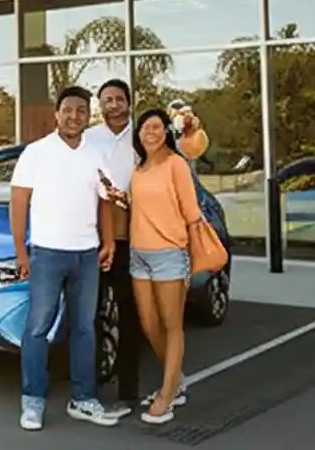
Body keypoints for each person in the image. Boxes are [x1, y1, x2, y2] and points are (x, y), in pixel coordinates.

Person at [9, 85, 120, 432]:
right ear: (57, 114)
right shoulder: (36, 153)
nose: (75, 116)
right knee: (38, 328)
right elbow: (18, 203)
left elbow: (106, 199)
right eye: (68, 110)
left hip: (86, 254)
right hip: (46, 253)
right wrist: (20, 251)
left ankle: (84, 399)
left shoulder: (96, 153)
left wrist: (109, 241)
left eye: (81, 111)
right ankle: (33, 402)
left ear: (89, 116)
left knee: (85, 329)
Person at [128, 108, 205, 425]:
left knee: (172, 326)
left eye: (157, 126)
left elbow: (191, 211)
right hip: (138, 255)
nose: (150, 132)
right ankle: (177, 379)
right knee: (149, 325)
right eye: (145, 127)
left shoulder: (177, 165)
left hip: (170, 255)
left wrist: (191, 251)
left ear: (166, 132)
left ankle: (168, 393)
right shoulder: (139, 169)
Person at [85, 79, 142, 420]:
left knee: (129, 314)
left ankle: (128, 391)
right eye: (107, 100)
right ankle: (88, 388)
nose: (114, 105)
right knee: (91, 315)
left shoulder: (143, 135)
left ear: (129, 103)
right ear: (100, 105)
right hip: (91, 236)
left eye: (120, 99)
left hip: (132, 237)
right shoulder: (90, 137)